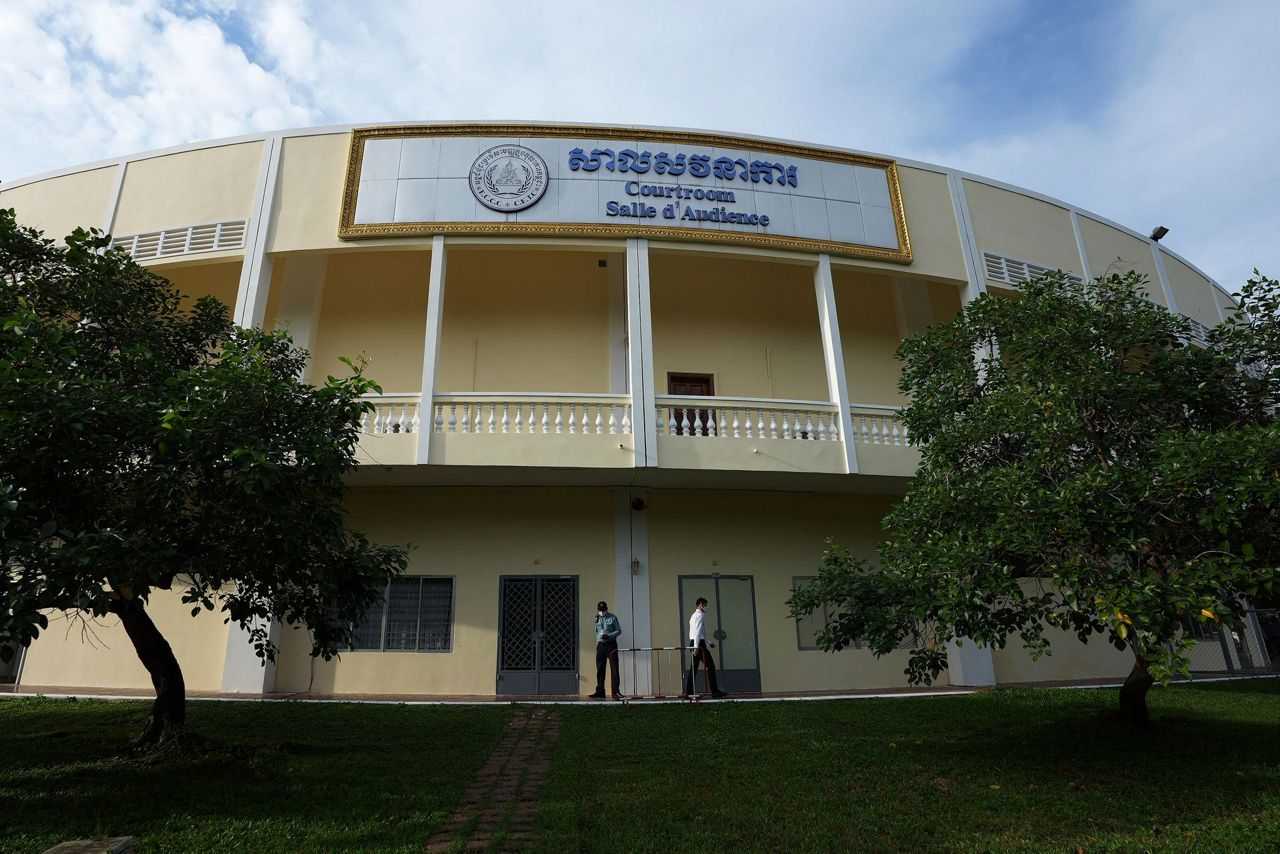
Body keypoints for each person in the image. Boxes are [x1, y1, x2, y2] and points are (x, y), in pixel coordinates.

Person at [684, 597, 728, 698]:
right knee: (711, 666)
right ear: (701, 605)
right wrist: (696, 647)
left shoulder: (693, 616)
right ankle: (715, 692)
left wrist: (708, 642)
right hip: (698, 644)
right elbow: (698, 632)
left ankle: (689, 692)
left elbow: (699, 633)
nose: (706, 607)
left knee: (693, 668)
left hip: (696, 642)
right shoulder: (700, 615)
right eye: (705, 605)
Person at [589, 600, 625, 700]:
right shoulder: (596, 618)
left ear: (606, 609)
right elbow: (596, 631)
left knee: (614, 669)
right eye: (600, 610)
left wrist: (608, 636)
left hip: (611, 645)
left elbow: (619, 630)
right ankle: (599, 691)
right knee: (600, 668)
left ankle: (616, 692)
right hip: (601, 646)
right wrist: (598, 642)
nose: (601, 612)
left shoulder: (613, 618)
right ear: (598, 610)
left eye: (603, 610)